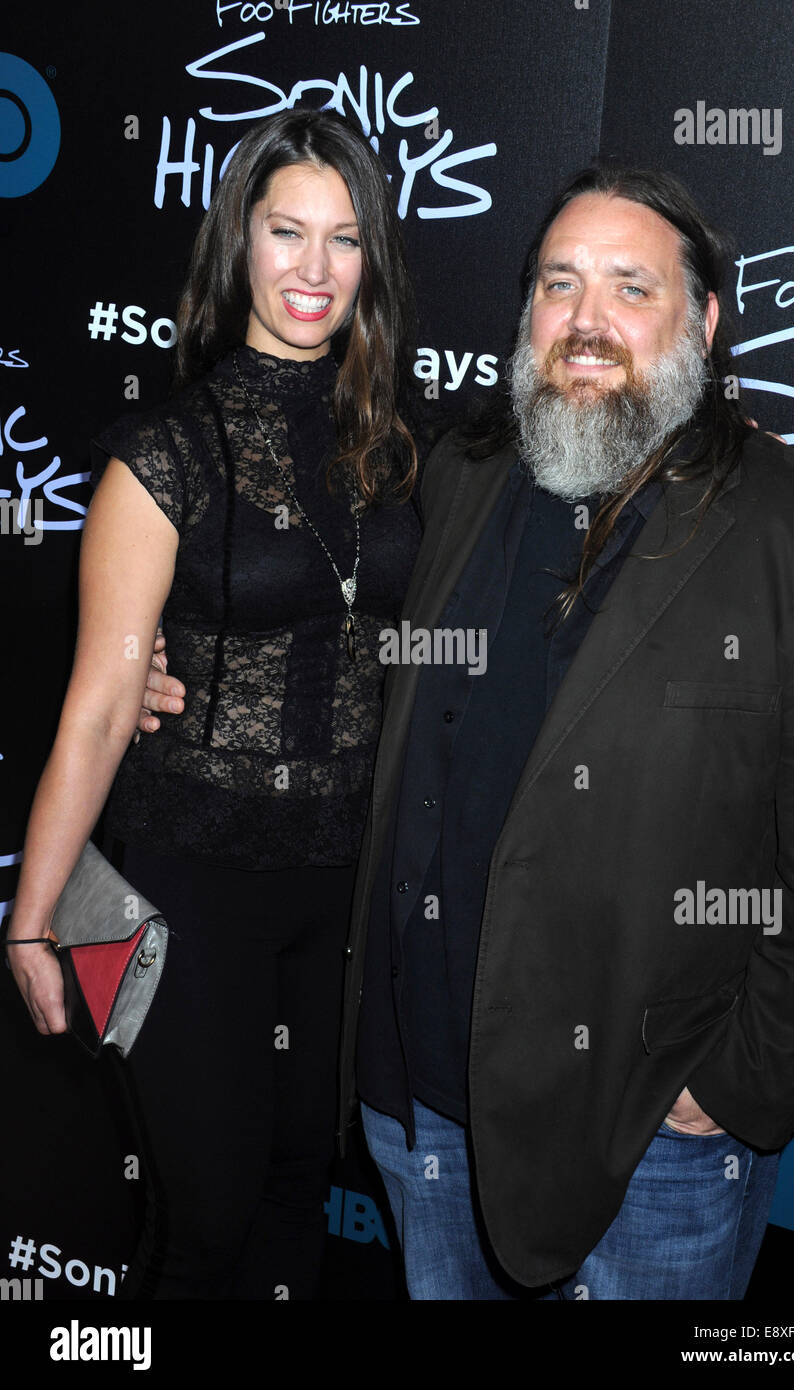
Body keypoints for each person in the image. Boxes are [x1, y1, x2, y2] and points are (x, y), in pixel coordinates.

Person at [327, 165, 794, 1299]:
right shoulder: (464, 474)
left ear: (704, 323)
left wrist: (725, 1090)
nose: (585, 321)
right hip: (423, 1106)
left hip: (642, 1148)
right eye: (557, 284)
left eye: (631, 287)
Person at [5, 107, 421, 1300]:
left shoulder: (398, 447)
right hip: (194, 873)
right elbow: (97, 701)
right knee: (208, 1208)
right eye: (286, 232)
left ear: (370, 261)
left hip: (343, 878)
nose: (312, 270)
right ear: (237, 241)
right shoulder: (167, 453)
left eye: (343, 241)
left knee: (303, 1180)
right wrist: (33, 919)